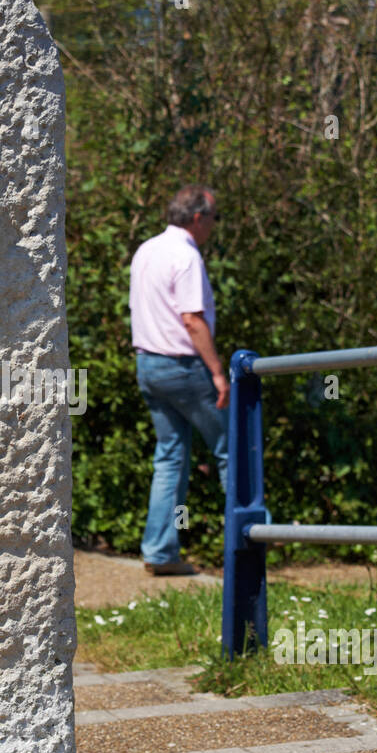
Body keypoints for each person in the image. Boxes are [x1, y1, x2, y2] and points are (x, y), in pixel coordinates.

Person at [129, 184, 229, 575]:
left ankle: (160, 551)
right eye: (214, 219)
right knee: (232, 449)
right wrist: (218, 374)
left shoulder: (146, 250)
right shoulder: (186, 257)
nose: (214, 227)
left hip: (149, 366)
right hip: (184, 368)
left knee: (170, 458)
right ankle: (247, 547)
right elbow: (191, 319)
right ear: (199, 217)